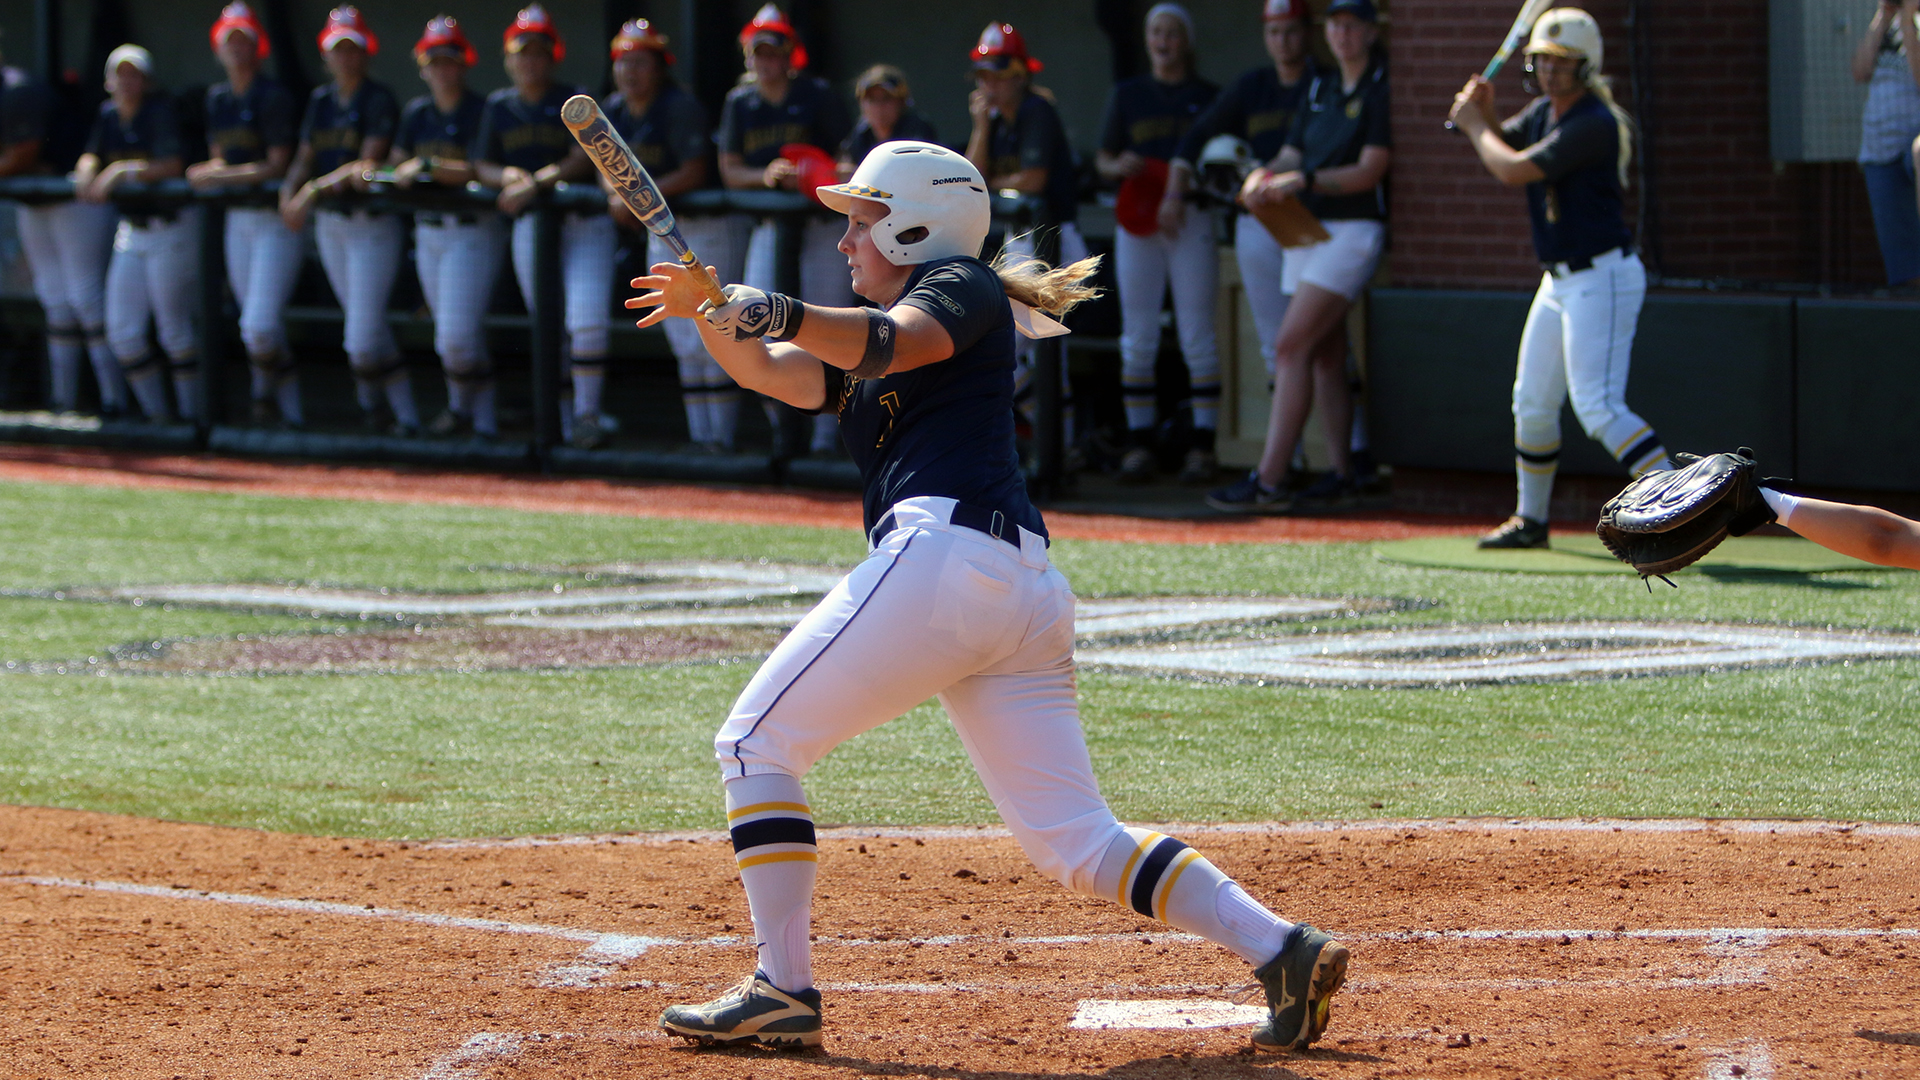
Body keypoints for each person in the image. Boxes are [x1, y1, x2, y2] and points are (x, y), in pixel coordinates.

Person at [627, 138, 1349, 1054]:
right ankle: (1282, 949)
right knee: (1075, 840)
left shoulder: (957, 283)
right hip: (1012, 589)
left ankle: (784, 987)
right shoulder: (868, 326)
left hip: (950, 558)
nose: (846, 240)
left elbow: (898, 341)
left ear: (913, 225)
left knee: (752, 743)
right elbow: (770, 369)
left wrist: (769, 303)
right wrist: (710, 310)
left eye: (860, 221)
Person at [1447, 7, 1673, 549]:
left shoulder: (1594, 121)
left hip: (1604, 276)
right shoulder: (1545, 111)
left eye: (1562, 64)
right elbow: (1510, 141)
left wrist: (1476, 125)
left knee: (1597, 407)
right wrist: (1489, 113)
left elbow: (1512, 168)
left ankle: (1676, 510)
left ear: (1585, 66)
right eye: (1543, 62)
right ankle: (1532, 520)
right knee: (1530, 401)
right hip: (1560, 280)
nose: (1550, 73)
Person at [1208, 0, 1390, 515]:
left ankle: (1269, 479)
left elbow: (1370, 170)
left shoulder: (1381, 87)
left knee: (1290, 347)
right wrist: (1259, 178)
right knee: (1326, 354)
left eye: (1353, 25)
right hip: (1307, 228)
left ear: (1371, 32)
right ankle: (1343, 471)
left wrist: (1302, 180)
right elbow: (1291, 155)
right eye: (1335, 24)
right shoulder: (1319, 86)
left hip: (1353, 228)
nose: (1343, 34)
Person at [1171, 0, 1314, 479]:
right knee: (1275, 343)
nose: (1283, 41)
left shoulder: (1322, 83)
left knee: (1329, 343)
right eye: (1274, 32)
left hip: (1312, 218)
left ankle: (1346, 454)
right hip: (1256, 218)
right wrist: (1177, 188)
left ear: (1305, 32)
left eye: (1291, 31)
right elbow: (1199, 136)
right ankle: (1289, 457)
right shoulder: (1252, 86)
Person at [473, 5, 614, 449]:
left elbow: (584, 155)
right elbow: (482, 163)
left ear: (553, 55)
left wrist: (534, 181)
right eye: (522, 52)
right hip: (533, 228)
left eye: (539, 51)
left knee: (586, 321)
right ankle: (562, 420)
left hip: (583, 223)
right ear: (509, 59)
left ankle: (588, 415)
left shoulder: (573, 97)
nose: (531, 60)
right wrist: (507, 177)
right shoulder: (499, 105)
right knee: (548, 325)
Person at [716, 4, 853, 457]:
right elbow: (731, 171)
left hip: (822, 227)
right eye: (758, 51)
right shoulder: (741, 101)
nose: (766, 60)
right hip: (771, 228)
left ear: (789, 54)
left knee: (829, 327)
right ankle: (783, 433)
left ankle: (828, 439)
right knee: (760, 326)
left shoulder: (817, 94)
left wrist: (816, 175)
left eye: (774, 51)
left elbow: (849, 163)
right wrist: (767, 176)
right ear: (748, 56)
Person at [601, 18, 741, 454]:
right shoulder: (616, 109)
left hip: (707, 229)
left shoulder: (679, 106)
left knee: (717, 331)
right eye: (624, 62)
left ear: (660, 66)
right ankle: (703, 439)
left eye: (640, 62)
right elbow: (602, 159)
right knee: (683, 341)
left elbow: (695, 171)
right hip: (662, 232)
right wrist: (618, 194)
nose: (630, 71)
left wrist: (639, 200)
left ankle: (723, 438)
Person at [1095, 3, 1219, 486]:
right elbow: (1103, 160)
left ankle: (1203, 445)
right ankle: (1139, 442)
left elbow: (1219, 161)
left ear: (1185, 40)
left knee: (1197, 334)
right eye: (1155, 32)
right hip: (1138, 219)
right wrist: (1118, 164)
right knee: (1139, 335)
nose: (1163, 40)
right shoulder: (1128, 94)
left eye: (1171, 32)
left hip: (1190, 216)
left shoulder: (1208, 96)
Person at [282, 7, 412, 435]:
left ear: (365, 53)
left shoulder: (377, 97)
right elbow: (303, 158)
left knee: (358, 337)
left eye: (352, 48)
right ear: (326, 56)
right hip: (332, 227)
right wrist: (289, 190)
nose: (345, 56)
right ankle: (404, 418)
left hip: (371, 223)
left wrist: (311, 191)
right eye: (337, 49)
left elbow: (367, 162)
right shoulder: (321, 101)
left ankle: (370, 407)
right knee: (367, 326)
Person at [963, 21, 1086, 461]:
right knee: (1011, 346)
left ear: (1020, 73)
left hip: (1053, 241)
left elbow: (1033, 181)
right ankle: (1054, 440)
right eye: (982, 75)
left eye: (997, 73)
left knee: (1045, 347)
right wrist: (980, 125)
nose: (989, 84)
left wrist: (997, 181)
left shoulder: (1037, 110)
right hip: (1020, 242)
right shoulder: (995, 120)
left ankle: (1063, 447)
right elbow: (974, 182)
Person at [187, 2, 304, 428]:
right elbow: (221, 159)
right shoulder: (218, 99)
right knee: (256, 326)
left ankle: (265, 401)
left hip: (274, 220)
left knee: (258, 325)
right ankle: (287, 413)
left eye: (244, 40)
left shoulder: (273, 96)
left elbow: (276, 164)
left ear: (259, 48)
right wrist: (208, 171)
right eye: (229, 41)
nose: (236, 48)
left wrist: (219, 177)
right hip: (238, 219)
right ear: (219, 49)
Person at [391, 16, 502, 441]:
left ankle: (460, 410)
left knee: (454, 337)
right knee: (457, 335)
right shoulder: (417, 112)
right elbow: (397, 160)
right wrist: (403, 168)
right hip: (429, 231)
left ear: (463, 64)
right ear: (423, 67)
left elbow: (475, 167)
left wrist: (426, 166)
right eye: (434, 61)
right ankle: (484, 424)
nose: (442, 68)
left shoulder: (480, 109)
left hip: (472, 229)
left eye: (449, 60)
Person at [75, 45, 197, 424]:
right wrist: (86, 169)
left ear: (145, 81)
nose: (127, 82)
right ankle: (159, 418)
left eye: (134, 75)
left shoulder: (159, 113)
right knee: (123, 333)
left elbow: (172, 165)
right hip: (131, 231)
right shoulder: (108, 114)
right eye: (120, 75)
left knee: (174, 332)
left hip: (171, 227)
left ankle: (194, 420)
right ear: (109, 81)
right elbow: (91, 153)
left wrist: (120, 171)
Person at [4, 36, 124, 417]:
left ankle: (114, 400)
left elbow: (24, 152)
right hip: (35, 204)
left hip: (76, 200)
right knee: (55, 302)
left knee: (86, 301)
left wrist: (17, 163)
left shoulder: (17, 87)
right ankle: (64, 402)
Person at [1854, 0, 1920, 288]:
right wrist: (1885, 15)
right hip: (1879, 148)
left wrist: (1909, 21)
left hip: (1913, 142)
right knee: (1903, 266)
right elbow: (1860, 70)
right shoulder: (1886, 23)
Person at [836, 65, 938, 178]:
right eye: (871, 100)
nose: (878, 107)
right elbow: (843, 165)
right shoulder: (860, 135)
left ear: (901, 102)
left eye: (886, 98)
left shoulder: (917, 131)